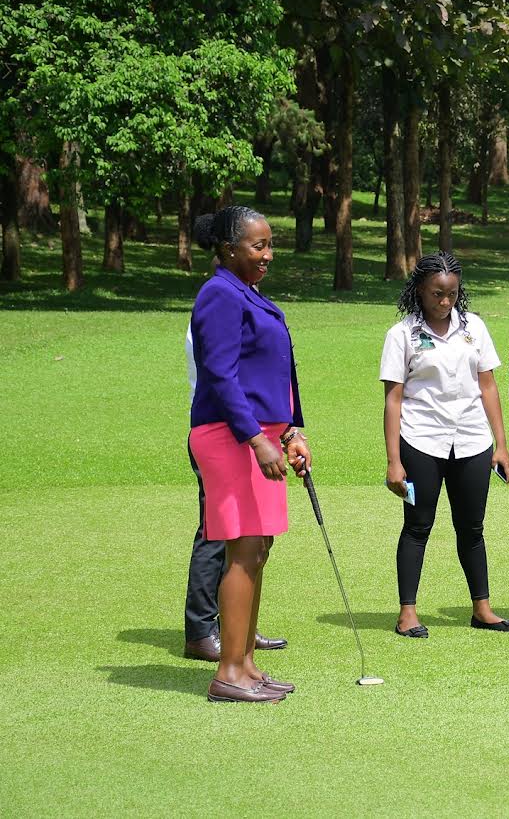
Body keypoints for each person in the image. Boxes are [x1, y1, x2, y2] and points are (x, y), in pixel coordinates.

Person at [188, 206, 310, 703]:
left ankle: (245, 664)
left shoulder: (250, 294)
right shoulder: (219, 293)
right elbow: (220, 374)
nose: (268, 254)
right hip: (232, 437)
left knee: (257, 549)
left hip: (263, 436)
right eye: (258, 246)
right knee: (242, 550)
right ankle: (228, 674)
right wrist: (256, 438)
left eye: (270, 244)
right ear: (228, 248)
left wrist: (293, 429)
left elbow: (282, 370)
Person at [380, 252, 509, 639]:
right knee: (417, 526)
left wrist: (500, 445)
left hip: (473, 440)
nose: (444, 301)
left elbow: (488, 386)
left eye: (452, 294)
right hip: (421, 440)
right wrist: (394, 461)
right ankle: (408, 614)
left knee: (472, 528)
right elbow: (393, 400)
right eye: (436, 294)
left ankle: (482, 609)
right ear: (419, 291)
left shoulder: (474, 327)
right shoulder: (401, 335)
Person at [182, 323, 289, 661]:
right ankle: (201, 631)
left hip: (250, 432)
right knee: (218, 535)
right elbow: (226, 382)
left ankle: (237, 628)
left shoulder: (246, 312)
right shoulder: (219, 312)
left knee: (255, 540)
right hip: (225, 434)